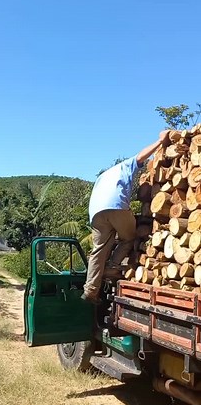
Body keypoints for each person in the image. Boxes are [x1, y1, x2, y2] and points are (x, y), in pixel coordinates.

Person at [81, 130, 170, 304]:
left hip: (96, 213)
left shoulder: (102, 176)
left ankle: (90, 290)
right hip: (117, 206)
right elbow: (141, 156)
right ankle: (112, 268)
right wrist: (160, 142)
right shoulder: (125, 166)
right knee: (128, 238)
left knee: (98, 251)